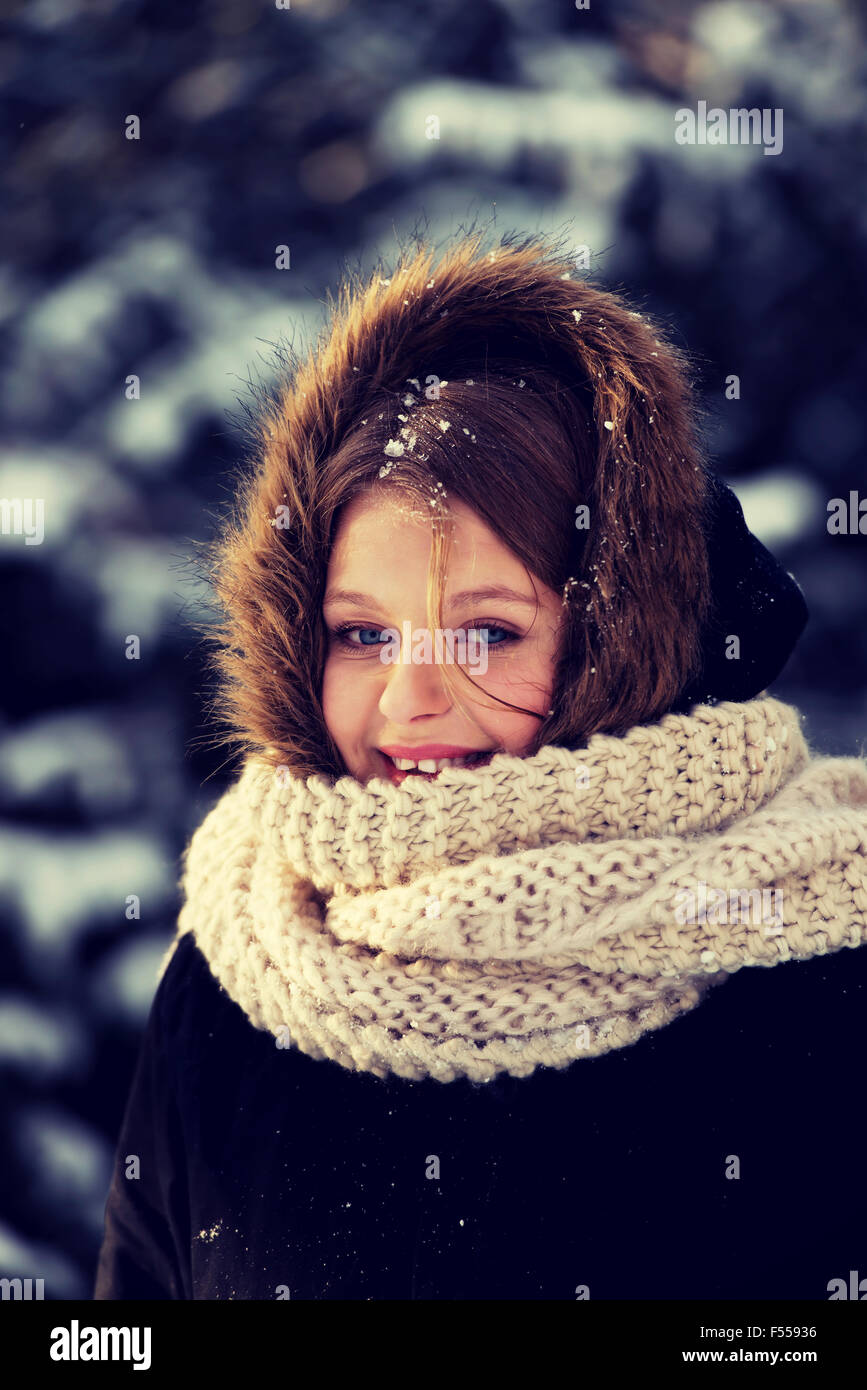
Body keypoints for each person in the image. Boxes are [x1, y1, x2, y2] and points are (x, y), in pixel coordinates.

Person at [93, 228, 867, 1300]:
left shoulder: (816, 969)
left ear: (617, 636)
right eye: (362, 633)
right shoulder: (239, 969)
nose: (413, 696)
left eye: (488, 632)